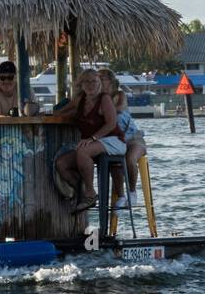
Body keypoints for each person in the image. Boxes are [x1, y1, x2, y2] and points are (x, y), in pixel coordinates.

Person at [54, 69, 125, 213]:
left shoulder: (104, 99)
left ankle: (91, 194)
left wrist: (92, 138)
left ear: (100, 83)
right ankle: (81, 189)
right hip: (92, 144)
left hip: (113, 141)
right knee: (61, 164)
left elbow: (111, 123)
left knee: (83, 151)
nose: (91, 85)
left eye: (94, 81)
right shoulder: (80, 100)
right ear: (81, 84)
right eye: (87, 81)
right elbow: (60, 112)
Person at [99, 68, 146, 209]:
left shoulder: (119, 94)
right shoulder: (98, 99)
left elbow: (120, 107)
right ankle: (120, 196)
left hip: (133, 138)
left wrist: (102, 110)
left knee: (130, 158)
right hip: (116, 140)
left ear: (111, 81)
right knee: (114, 165)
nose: (99, 81)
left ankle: (132, 192)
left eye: (102, 78)